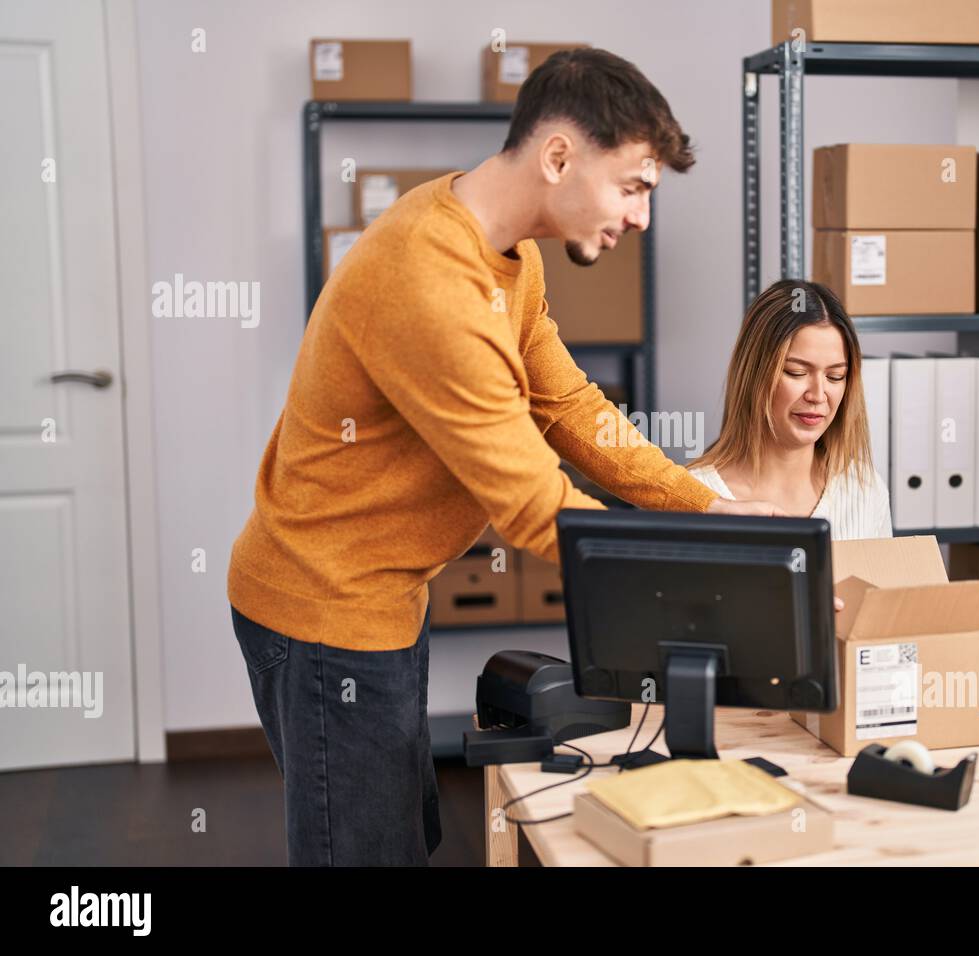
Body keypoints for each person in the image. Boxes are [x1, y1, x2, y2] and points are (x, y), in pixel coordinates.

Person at [225, 48, 780, 866]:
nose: (641, 218)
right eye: (633, 186)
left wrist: (710, 509)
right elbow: (530, 500)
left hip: (379, 594)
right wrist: (701, 570)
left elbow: (571, 409)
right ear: (559, 155)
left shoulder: (508, 255)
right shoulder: (431, 276)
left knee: (401, 838)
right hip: (324, 608)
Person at [690, 279, 893, 540]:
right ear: (755, 374)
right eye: (796, 372)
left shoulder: (865, 489)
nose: (818, 396)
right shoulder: (694, 496)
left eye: (835, 377)